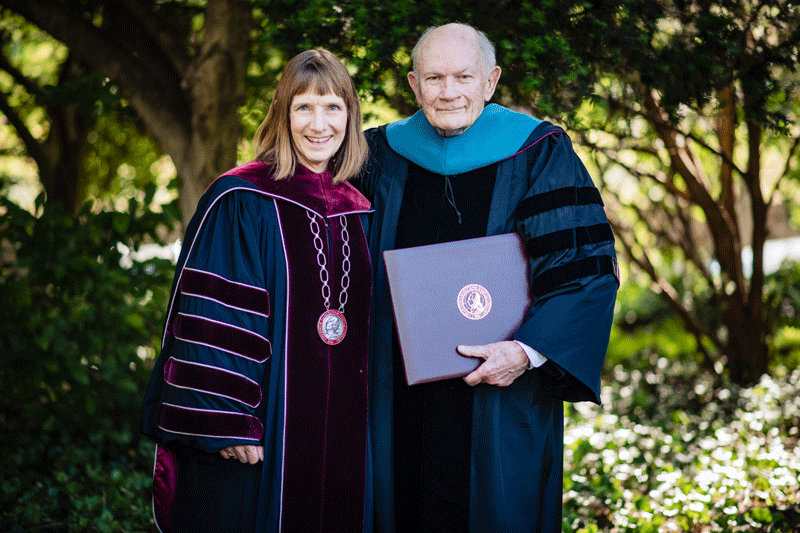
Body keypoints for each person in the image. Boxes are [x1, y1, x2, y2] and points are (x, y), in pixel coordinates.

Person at [358, 23, 619, 532]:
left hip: (500, 400)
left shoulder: (538, 152)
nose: (449, 91)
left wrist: (525, 353)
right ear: (413, 85)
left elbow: (584, 270)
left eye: (463, 76)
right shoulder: (377, 157)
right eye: (434, 78)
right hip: (394, 398)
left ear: (491, 80)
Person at [141, 49, 373, 533]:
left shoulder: (360, 207)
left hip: (342, 431)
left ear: (350, 117)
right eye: (303, 107)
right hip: (260, 431)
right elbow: (214, 317)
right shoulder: (242, 198)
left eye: (333, 107)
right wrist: (226, 418)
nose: (319, 123)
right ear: (282, 115)